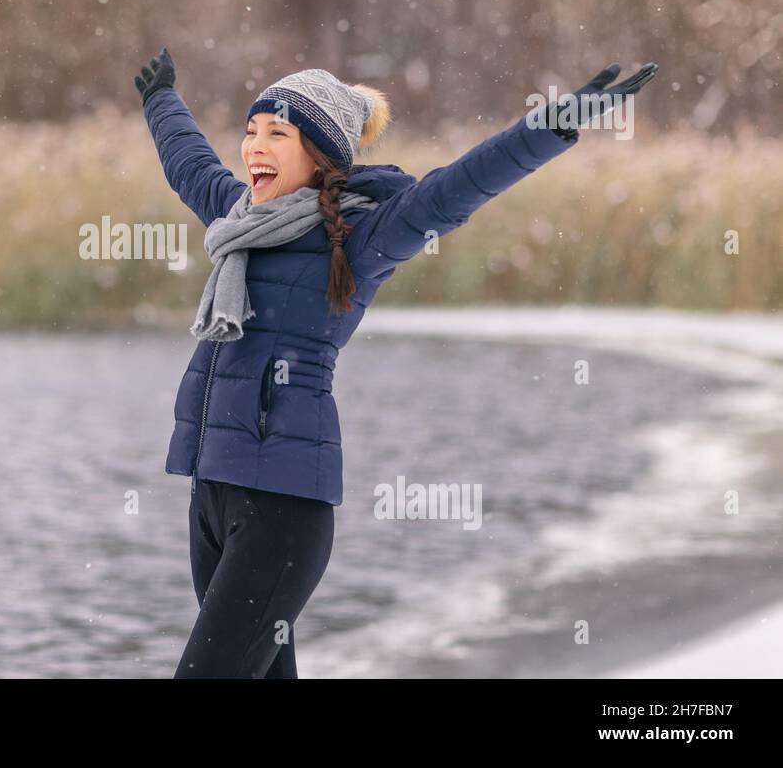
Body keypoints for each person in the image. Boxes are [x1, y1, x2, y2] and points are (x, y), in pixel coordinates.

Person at [133, 48, 657, 678]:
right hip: (211, 497)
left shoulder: (359, 239)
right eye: (250, 132)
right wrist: (161, 99)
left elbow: (456, 190)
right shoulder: (240, 221)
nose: (254, 149)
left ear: (319, 156)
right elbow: (189, 164)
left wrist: (549, 127)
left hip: (281, 509)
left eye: (277, 134)